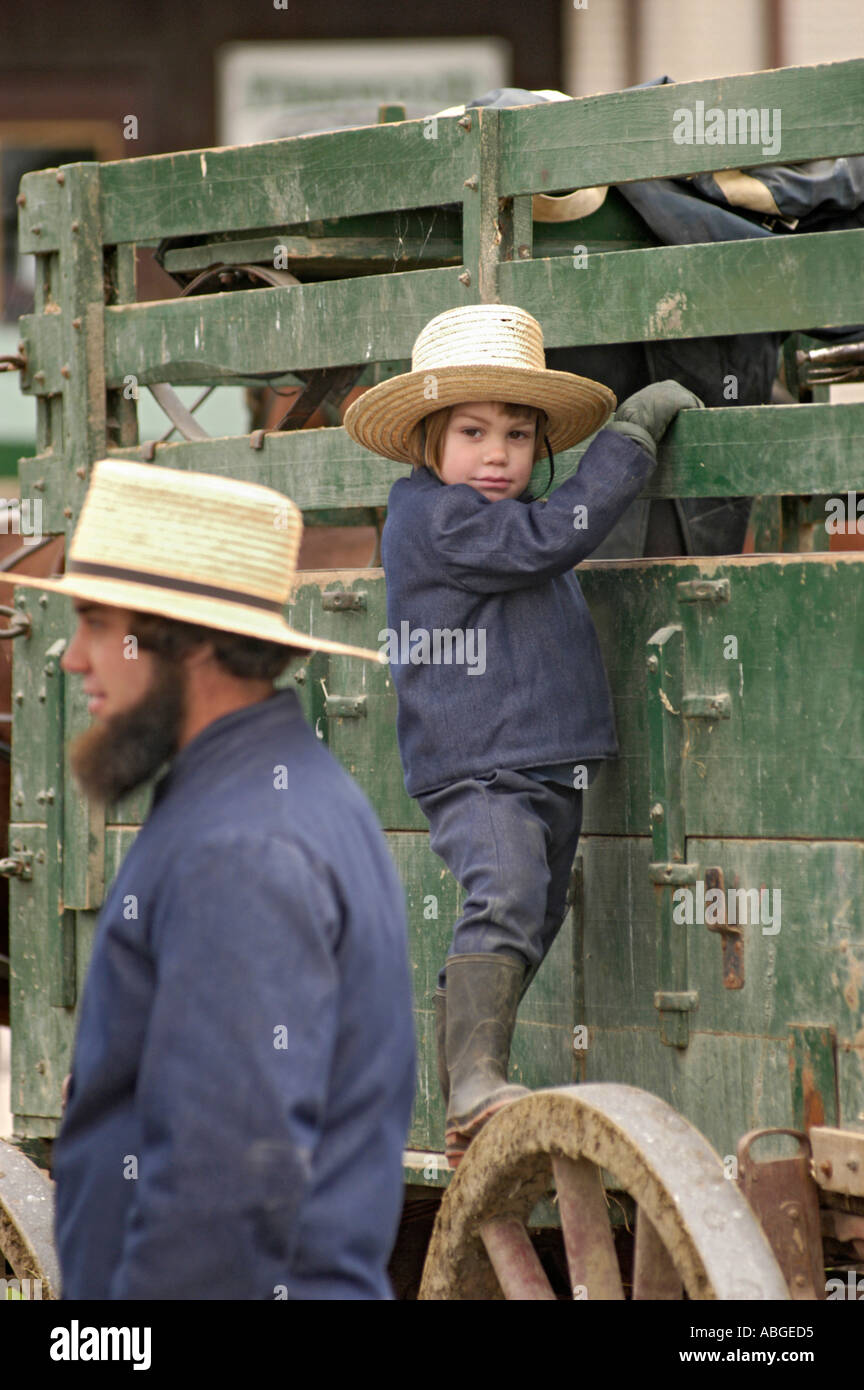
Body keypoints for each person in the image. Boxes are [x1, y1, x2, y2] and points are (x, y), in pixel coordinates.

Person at [0, 459, 416, 1299]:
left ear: (184, 643)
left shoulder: (241, 843)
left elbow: (224, 1191)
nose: (75, 658)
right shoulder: (271, 796)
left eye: (93, 622)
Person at [343, 303, 700, 1167]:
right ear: (427, 441)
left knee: (528, 915)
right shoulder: (434, 517)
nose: (496, 454)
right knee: (504, 893)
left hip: (544, 763)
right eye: (471, 431)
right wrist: (630, 441)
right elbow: (557, 534)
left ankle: (475, 1088)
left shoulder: (490, 517)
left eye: (517, 433)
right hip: (481, 768)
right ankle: (471, 1080)